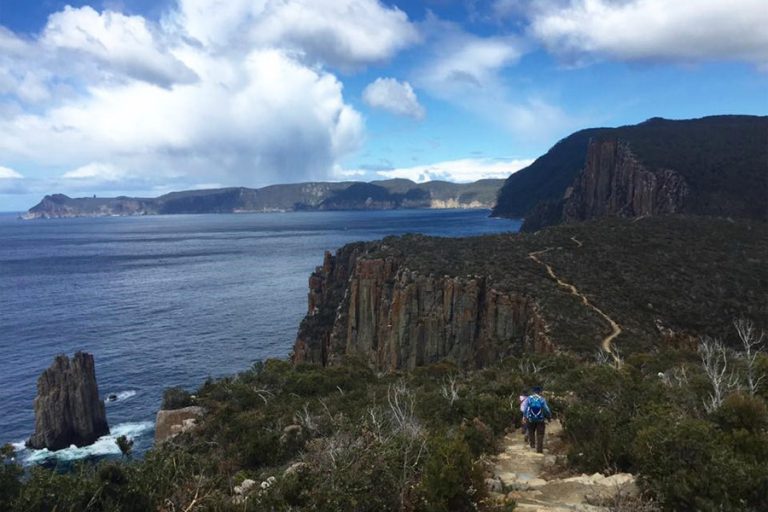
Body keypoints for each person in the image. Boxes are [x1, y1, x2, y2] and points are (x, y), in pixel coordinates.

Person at [524, 385, 552, 453]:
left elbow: (525, 409)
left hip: (530, 419)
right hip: (540, 419)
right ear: (539, 392)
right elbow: (546, 409)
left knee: (531, 431)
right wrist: (549, 417)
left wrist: (525, 416)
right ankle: (539, 449)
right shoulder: (542, 399)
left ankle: (532, 444)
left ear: (533, 392)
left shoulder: (529, 398)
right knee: (540, 434)